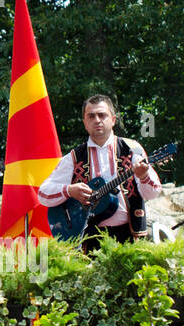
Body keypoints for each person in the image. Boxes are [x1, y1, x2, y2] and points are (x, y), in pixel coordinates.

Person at [38, 94, 162, 248]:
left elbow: (153, 193)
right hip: (89, 237)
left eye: (102, 115)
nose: (97, 120)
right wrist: (69, 190)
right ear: (85, 123)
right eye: (91, 116)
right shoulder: (74, 157)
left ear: (113, 120)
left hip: (129, 235)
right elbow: (43, 194)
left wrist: (143, 177)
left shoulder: (132, 149)